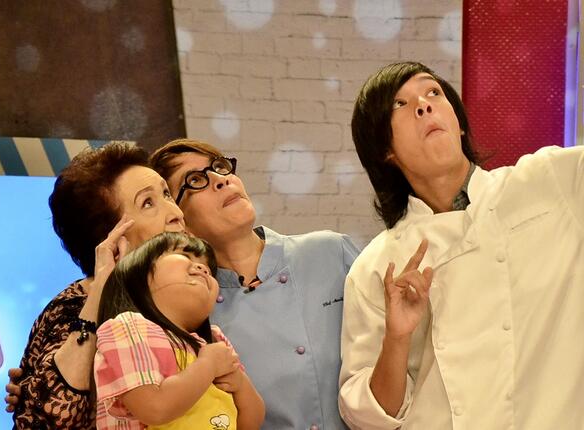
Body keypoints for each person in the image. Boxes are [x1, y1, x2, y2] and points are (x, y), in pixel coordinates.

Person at [338, 61, 584, 429]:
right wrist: (397, 338)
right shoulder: (379, 264)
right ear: (384, 149)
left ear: (459, 123)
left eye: (433, 92)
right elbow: (366, 417)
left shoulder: (549, 183)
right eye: (400, 104)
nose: (423, 105)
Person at [150, 139, 360, 430]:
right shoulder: (193, 315)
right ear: (179, 220)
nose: (221, 180)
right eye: (196, 180)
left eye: (220, 167)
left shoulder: (330, 252)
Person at [6, 142, 186, 429]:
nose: (176, 211)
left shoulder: (183, 290)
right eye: (147, 203)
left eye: (166, 194)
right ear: (111, 239)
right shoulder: (72, 307)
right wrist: (102, 290)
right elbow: (49, 418)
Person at [94, 231, 264, 429]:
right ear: (138, 273)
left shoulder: (215, 339)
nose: (203, 268)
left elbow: (250, 422)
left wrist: (240, 383)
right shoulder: (128, 327)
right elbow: (154, 409)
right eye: (185, 255)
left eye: (210, 270)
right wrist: (208, 365)